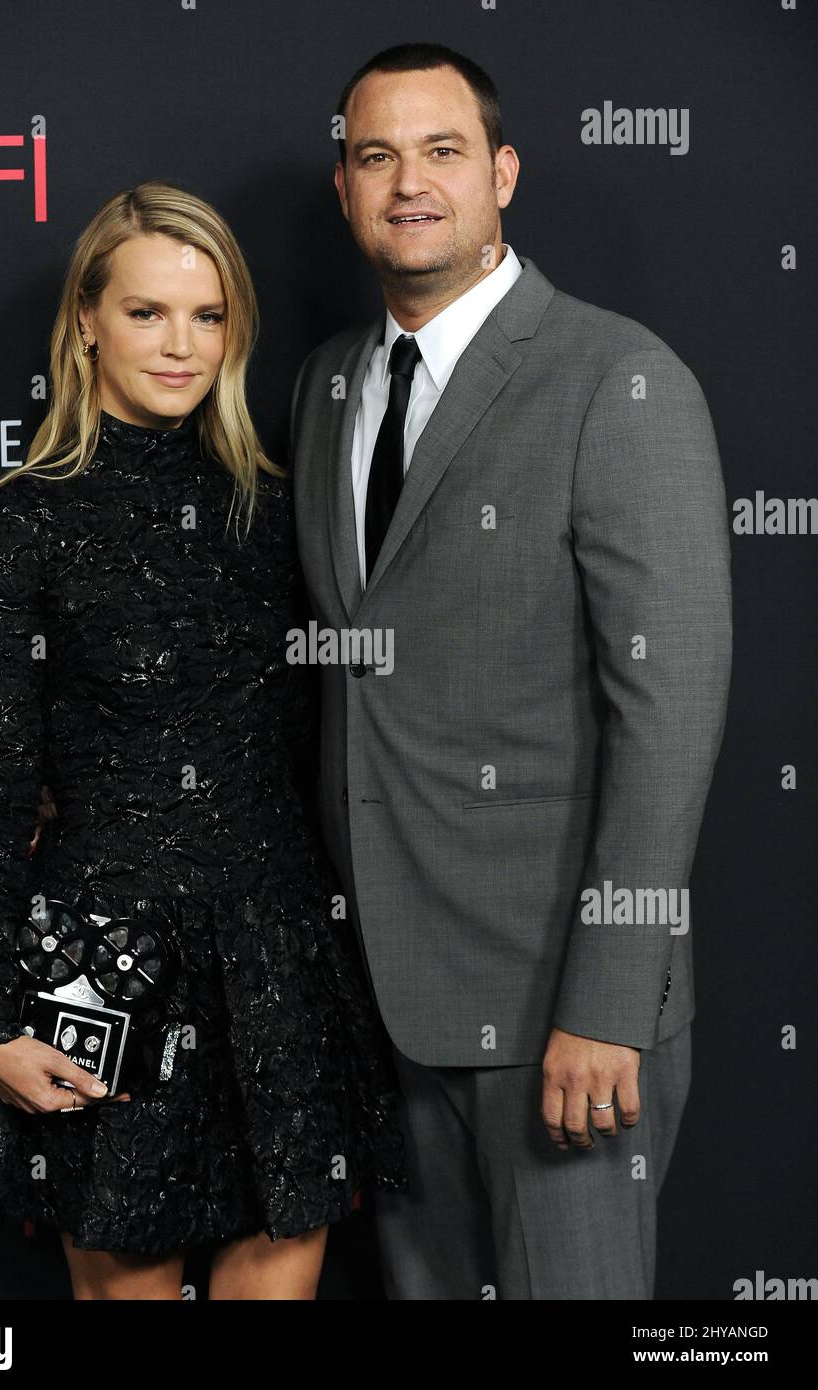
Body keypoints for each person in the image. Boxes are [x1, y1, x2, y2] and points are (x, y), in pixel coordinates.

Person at [0, 180, 406, 1301]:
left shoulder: (275, 508)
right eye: (147, 313)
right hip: (107, 973)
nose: (182, 346)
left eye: (208, 316)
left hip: (276, 964)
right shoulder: (25, 520)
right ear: (85, 319)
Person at [289, 43, 732, 1298]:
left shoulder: (615, 378)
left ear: (505, 174)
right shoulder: (327, 383)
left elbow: (672, 705)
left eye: (442, 152)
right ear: (344, 188)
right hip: (381, 998)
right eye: (377, 155)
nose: (409, 183)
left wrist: (608, 1001)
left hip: (559, 1012)